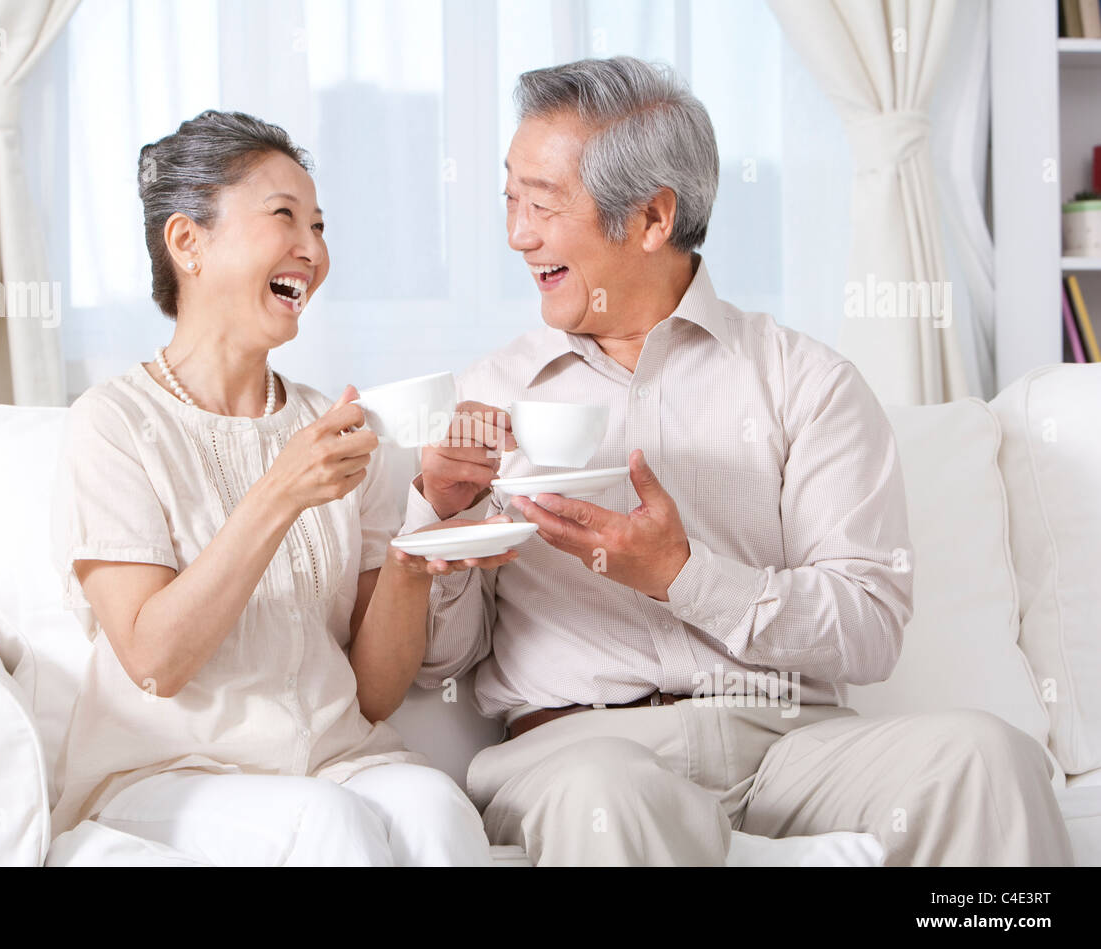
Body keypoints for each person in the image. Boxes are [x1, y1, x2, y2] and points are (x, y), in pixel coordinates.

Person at [393, 56, 1074, 866]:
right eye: (511, 199)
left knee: (987, 760)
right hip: (579, 752)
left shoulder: (804, 382)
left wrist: (683, 575)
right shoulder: (491, 398)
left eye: (542, 205)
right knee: (609, 793)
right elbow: (443, 659)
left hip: (788, 744)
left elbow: (868, 629)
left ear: (652, 218)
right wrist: (441, 512)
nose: (518, 234)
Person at [45, 110, 505, 866]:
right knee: (327, 825)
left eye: (319, 226)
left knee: (436, 812)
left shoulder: (330, 422)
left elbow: (375, 696)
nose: (313, 251)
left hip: (331, 758)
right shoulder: (113, 423)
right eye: (284, 218)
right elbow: (155, 662)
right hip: (168, 775)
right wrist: (280, 492)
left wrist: (413, 557)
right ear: (188, 243)